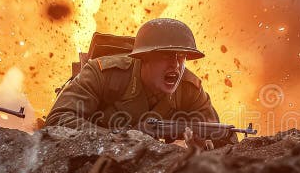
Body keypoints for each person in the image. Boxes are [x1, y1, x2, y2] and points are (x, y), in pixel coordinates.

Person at [46, 18, 236, 147]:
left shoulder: (190, 89)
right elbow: (58, 120)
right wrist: (123, 137)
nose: (176, 66)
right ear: (145, 58)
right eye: (165, 56)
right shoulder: (104, 73)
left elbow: (225, 138)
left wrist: (204, 149)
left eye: (181, 57)